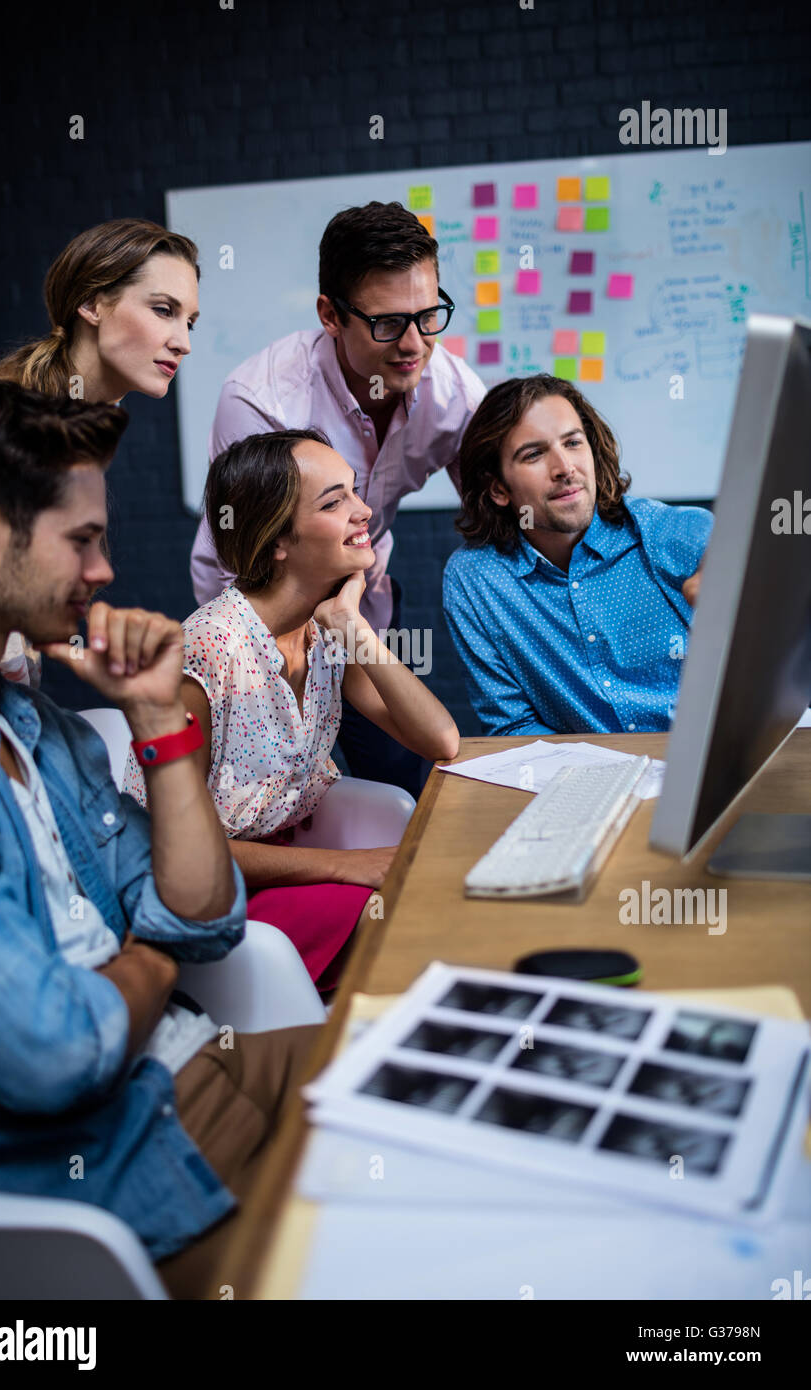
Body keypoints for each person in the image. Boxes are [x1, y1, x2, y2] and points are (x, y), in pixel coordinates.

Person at [0, 378, 321, 1300]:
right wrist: (156, 953)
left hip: (195, 1057)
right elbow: (53, 1053)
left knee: (472, 1089)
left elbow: (211, 918)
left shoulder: (41, 727)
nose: (106, 572)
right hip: (117, 1163)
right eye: (84, 540)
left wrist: (158, 722)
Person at [127, 428, 460, 989]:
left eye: (354, 491)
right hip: (205, 895)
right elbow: (176, 846)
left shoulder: (326, 629)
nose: (363, 511)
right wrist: (344, 866)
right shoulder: (208, 648)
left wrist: (355, 627)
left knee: (428, 900)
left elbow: (440, 740)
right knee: (410, 920)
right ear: (277, 539)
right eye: (334, 502)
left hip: (285, 870)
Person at [189, 200, 485, 798]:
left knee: (402, 777)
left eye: (429, 316)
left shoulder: (453, 394)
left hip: (358, 605)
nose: (415, 345)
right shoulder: (262, 399)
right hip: (258, 615)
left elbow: (498, 509)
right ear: (330, 314)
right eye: (387, 324)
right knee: (259, 791)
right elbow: (246, 556)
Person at [0, 217, 201, 686]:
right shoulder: (10, 424)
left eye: (189, 322)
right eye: (163, 310)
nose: (183, 343)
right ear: (91, 302)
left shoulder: (81, 420)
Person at [443, 375, 712, 736]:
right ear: (498, 489)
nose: (565, 468)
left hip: (705, 768)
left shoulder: (679, 536)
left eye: (572, 443)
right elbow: (513, 726)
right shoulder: (476, 580)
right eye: (534, 454)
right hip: (584, 780)